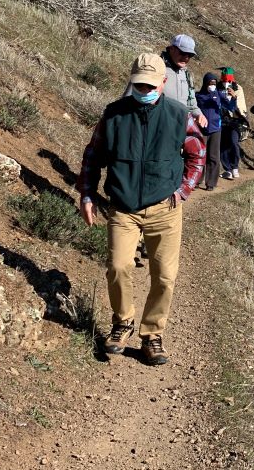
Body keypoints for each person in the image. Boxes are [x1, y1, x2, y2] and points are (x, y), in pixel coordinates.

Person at [77, 53, 206, 366]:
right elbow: (93, 155)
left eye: (150, 84)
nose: (144, 88)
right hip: (123, 208)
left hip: (165, 208)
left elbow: (197, 153)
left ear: (163, 82)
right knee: (119, 266)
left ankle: (152, 335)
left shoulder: (179, 115)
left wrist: (183, 189)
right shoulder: (114, 115)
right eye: (138, 83)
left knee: (164, 276)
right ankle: (123, 322)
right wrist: (87, 194)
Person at [127, 34, 207, 130]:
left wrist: (199, 115)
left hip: (177, 129)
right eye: (182, 52)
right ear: (171, 48)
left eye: (190, 55)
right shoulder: (153, 68)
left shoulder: (187, 75)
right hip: (152, 128)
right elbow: (130, 98)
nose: (186, 57)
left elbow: (191, 104)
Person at [195, 73, 235, 191]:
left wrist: (233, 98)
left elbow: (230, 107)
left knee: (213, 156)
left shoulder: (218, 94)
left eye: (214, 83)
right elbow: (193, 109)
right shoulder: (198, 95)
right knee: (200, 155)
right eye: (210, 83)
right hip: (201, 129)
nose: (212, 85)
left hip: (215, 129)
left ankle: (211, 183)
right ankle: (197, 180)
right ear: (205, 83)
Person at [219, 67, 248, 180]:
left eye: (228, 81)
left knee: (233, 142)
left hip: (235, 121)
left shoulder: (238, 89)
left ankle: (234, 166)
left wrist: (233, 97)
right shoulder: (218, 87)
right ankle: (227, 169)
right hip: (222, 121)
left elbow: (241, 105)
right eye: (224, 80)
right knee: (223, 145)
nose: (226, 83)